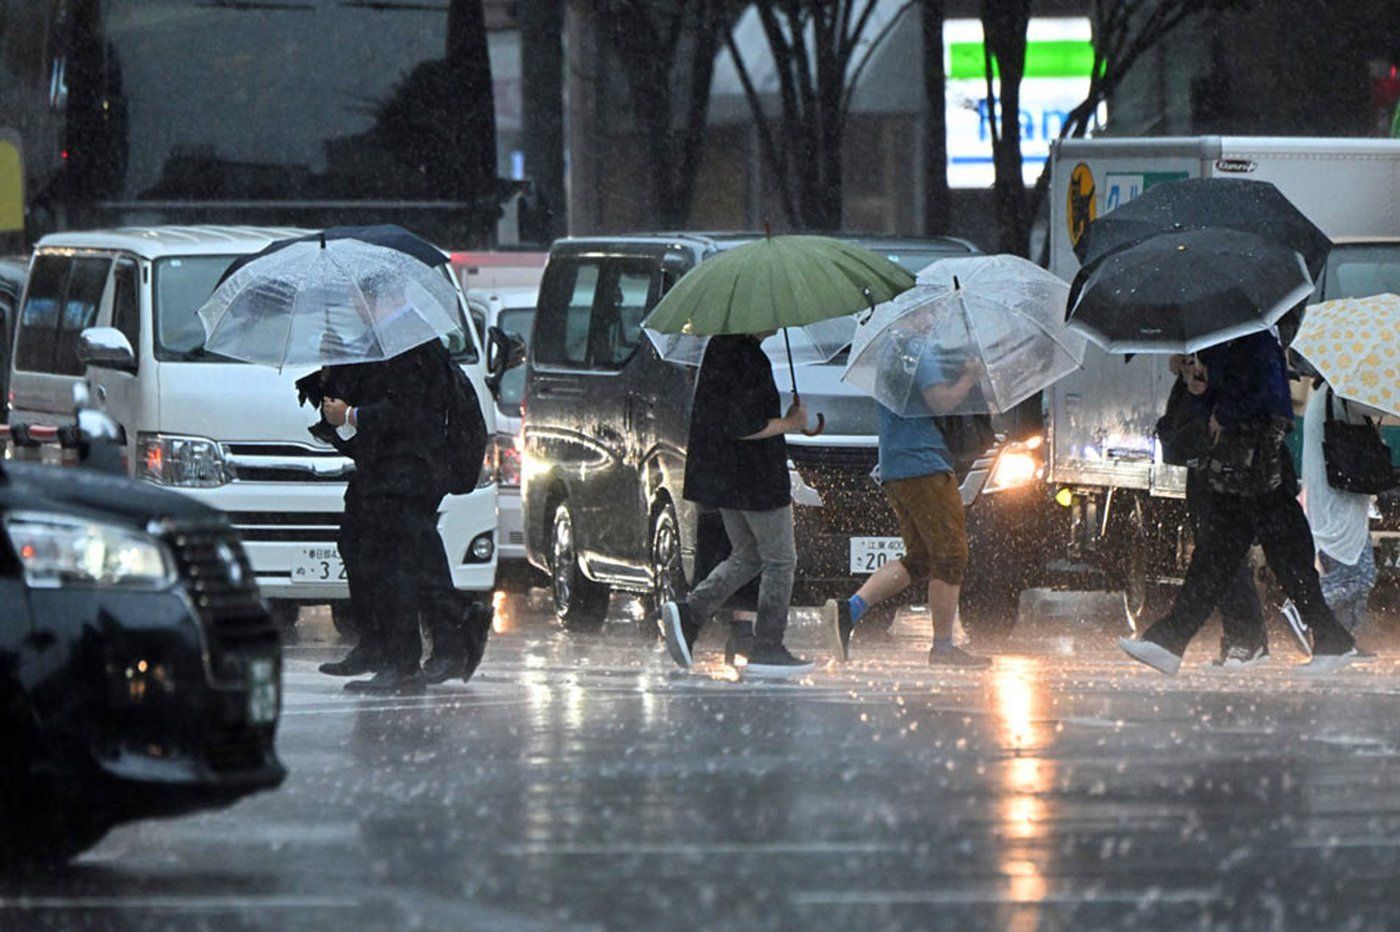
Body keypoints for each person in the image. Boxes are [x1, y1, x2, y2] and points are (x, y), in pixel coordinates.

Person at [1120, 331, 1363, 675]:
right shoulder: (1223, 343)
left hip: (1257, 468)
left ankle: (1171, 640)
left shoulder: (1258, 342)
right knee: (1234, 557)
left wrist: (1226, 413)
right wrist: (1196, 383)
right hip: (1239, 474)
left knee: (1235, 558)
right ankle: (1170, 641)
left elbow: (1272, 399)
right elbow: (1214, 404)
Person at [315, 291, 469, 692]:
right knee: (366, 547)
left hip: (407, 472)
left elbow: (410, 412)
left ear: (378, 299)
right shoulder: (383, 340)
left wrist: (350, 414)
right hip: (383, 469)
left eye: (359, 300)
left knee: (397, 563)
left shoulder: (411, 342)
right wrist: (331, 379)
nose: (354, 309)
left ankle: (406, 659)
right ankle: (386, 647)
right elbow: (373, 400)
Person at [823, 338, 991, 669]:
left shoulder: (893, 349)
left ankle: (849, 611)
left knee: (921, 558)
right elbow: (940, 401)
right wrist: (971, 376)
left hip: (897, 466)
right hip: (924, 464)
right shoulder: (918, 349)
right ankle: (943, 648)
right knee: (951, 554)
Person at [660, 333, 814, 678]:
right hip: (757, 481)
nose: (777, 321)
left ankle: (690, 613)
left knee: (748, 555)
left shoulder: (720, 348)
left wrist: (789, 421)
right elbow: (744, 426)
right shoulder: (748, 357)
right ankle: (768, 646)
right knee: (780, 559)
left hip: (727, 479)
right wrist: (790, 424)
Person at [1163, 353, 1270, 668]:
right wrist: (1187, 376)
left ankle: (1247, 639)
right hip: (1202, 465)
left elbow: (1244, 399)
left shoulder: (1238, 349)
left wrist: (1204, 380)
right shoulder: (1205, 346)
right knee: (1217, 553)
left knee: (1223, 555)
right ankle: (1240, 638)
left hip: (1224, 465)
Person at [1302, 382, 1378, 634]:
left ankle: (1341, 639)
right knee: (1358, 577)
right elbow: (1370, 404)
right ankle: (1305, 611)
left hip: (1342, 503)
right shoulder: (1340, 392)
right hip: (1337, 505)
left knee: (1356, 577)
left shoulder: (1325, 393)